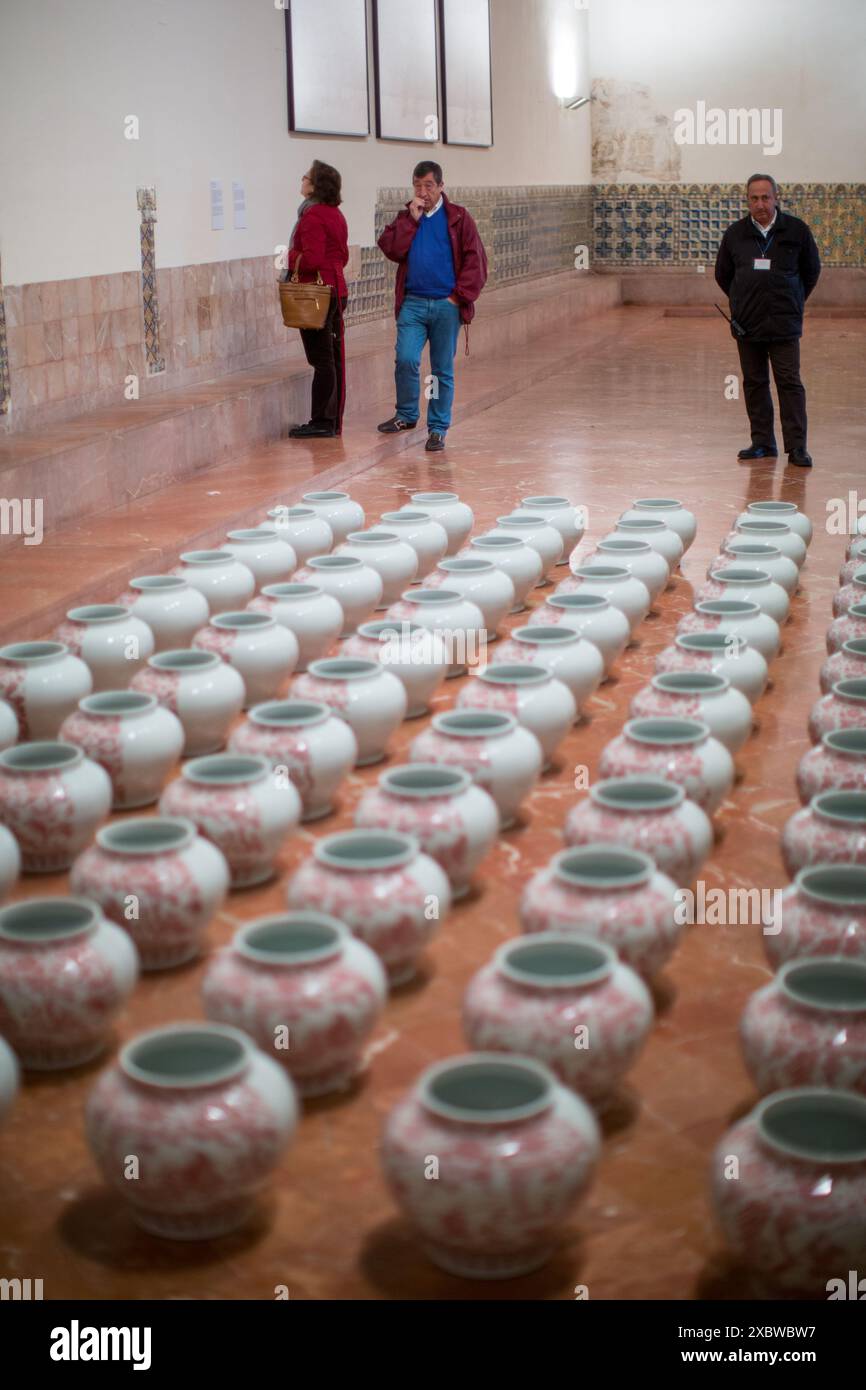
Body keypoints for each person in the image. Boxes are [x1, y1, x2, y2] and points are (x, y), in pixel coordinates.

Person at [377, 161, 488, 453]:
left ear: (441, 186)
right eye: (417, 185)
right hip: (412, 303)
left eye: (428, 185)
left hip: (445, 306)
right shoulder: (407, 217)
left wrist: (457, 297)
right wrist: (410, 221)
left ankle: (437, 428)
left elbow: (476, 261)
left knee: (441, 370)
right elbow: (390, 248)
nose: (422, 191)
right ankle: (406, 415)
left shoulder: (459, 218)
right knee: (406, 359)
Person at [715, 173, 821, 468]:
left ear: (777, 197)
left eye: (765, 197)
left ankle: (797, 448)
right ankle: (762, 443)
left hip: (784, 323)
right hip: (747, 324)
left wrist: (793, 299)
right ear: (747, 201)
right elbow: (723, 275)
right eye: (754, 198)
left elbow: (811, 272)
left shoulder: (797, 231)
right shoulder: (735, 234)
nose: (760, 204)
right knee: (754, 383)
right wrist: (742, 302)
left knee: (789, 382)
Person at [286, 160, 349, 438]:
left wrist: (288, 257)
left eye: (305, 176)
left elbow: (311, 259)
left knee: (321, 359)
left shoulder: (312, 216)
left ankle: (322, 420)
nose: (301, 179)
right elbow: (343, 256)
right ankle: (332, 419)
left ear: (315, 186)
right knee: (333, 357)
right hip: (336, 290)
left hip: (315, 295)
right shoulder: (336, 214)